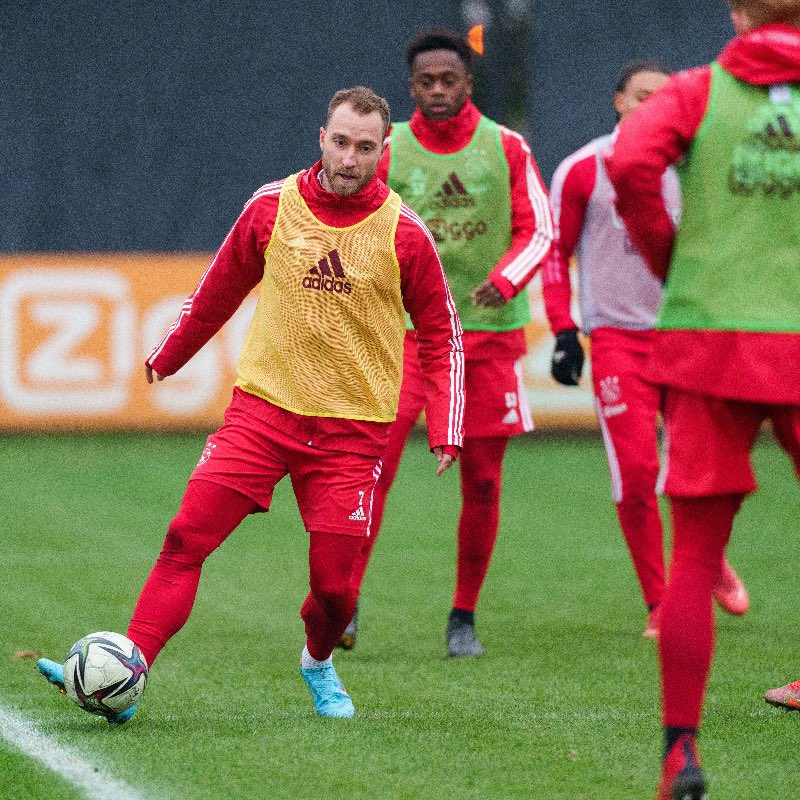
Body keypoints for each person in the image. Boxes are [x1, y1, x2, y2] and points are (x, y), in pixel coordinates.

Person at [37, 86, 465, 721]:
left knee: (336, 594)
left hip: (353, 433)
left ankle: (317, 661)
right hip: (263, 413)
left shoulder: (405, 234)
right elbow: (217, 291)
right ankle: (127, 671)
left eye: (364, 147)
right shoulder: (272, 207)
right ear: (321, 138)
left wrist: (447, 426)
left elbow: (442, 333)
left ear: (385, 151)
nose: (349, 157)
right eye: (340, 142)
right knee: (185, 538)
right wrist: (169, 354)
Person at [604, 4, 800, 797]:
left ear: (738, 12)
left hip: (710, 340)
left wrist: (670, 257)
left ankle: (679, 751)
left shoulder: (694, 91)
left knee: (693, 558)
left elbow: (629, 165)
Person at [340, 28, 553, 657]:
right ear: (411, 87)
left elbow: (537, 229)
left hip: (487, 339)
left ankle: (464, 615)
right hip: (402, 337)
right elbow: (352, 219)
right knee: (373, 468)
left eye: (448, 79)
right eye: (425, 81)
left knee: (483, 481)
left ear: (468, 82)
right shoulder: (391, 147)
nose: (437, 90)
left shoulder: (507, 147)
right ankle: (344, 600)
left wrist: (504, 277)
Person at [544, 61, 749, 639]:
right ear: (617, 102)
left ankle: (709, 561)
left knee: (701, 469)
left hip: (687, 335)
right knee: (637, 470)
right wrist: (564, 329)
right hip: (617, 341)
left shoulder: (698, 166)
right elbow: (556, 251)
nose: (651, 107)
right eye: (640, 97)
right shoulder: (584, 168)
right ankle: (659, 601)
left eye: (662, 98)